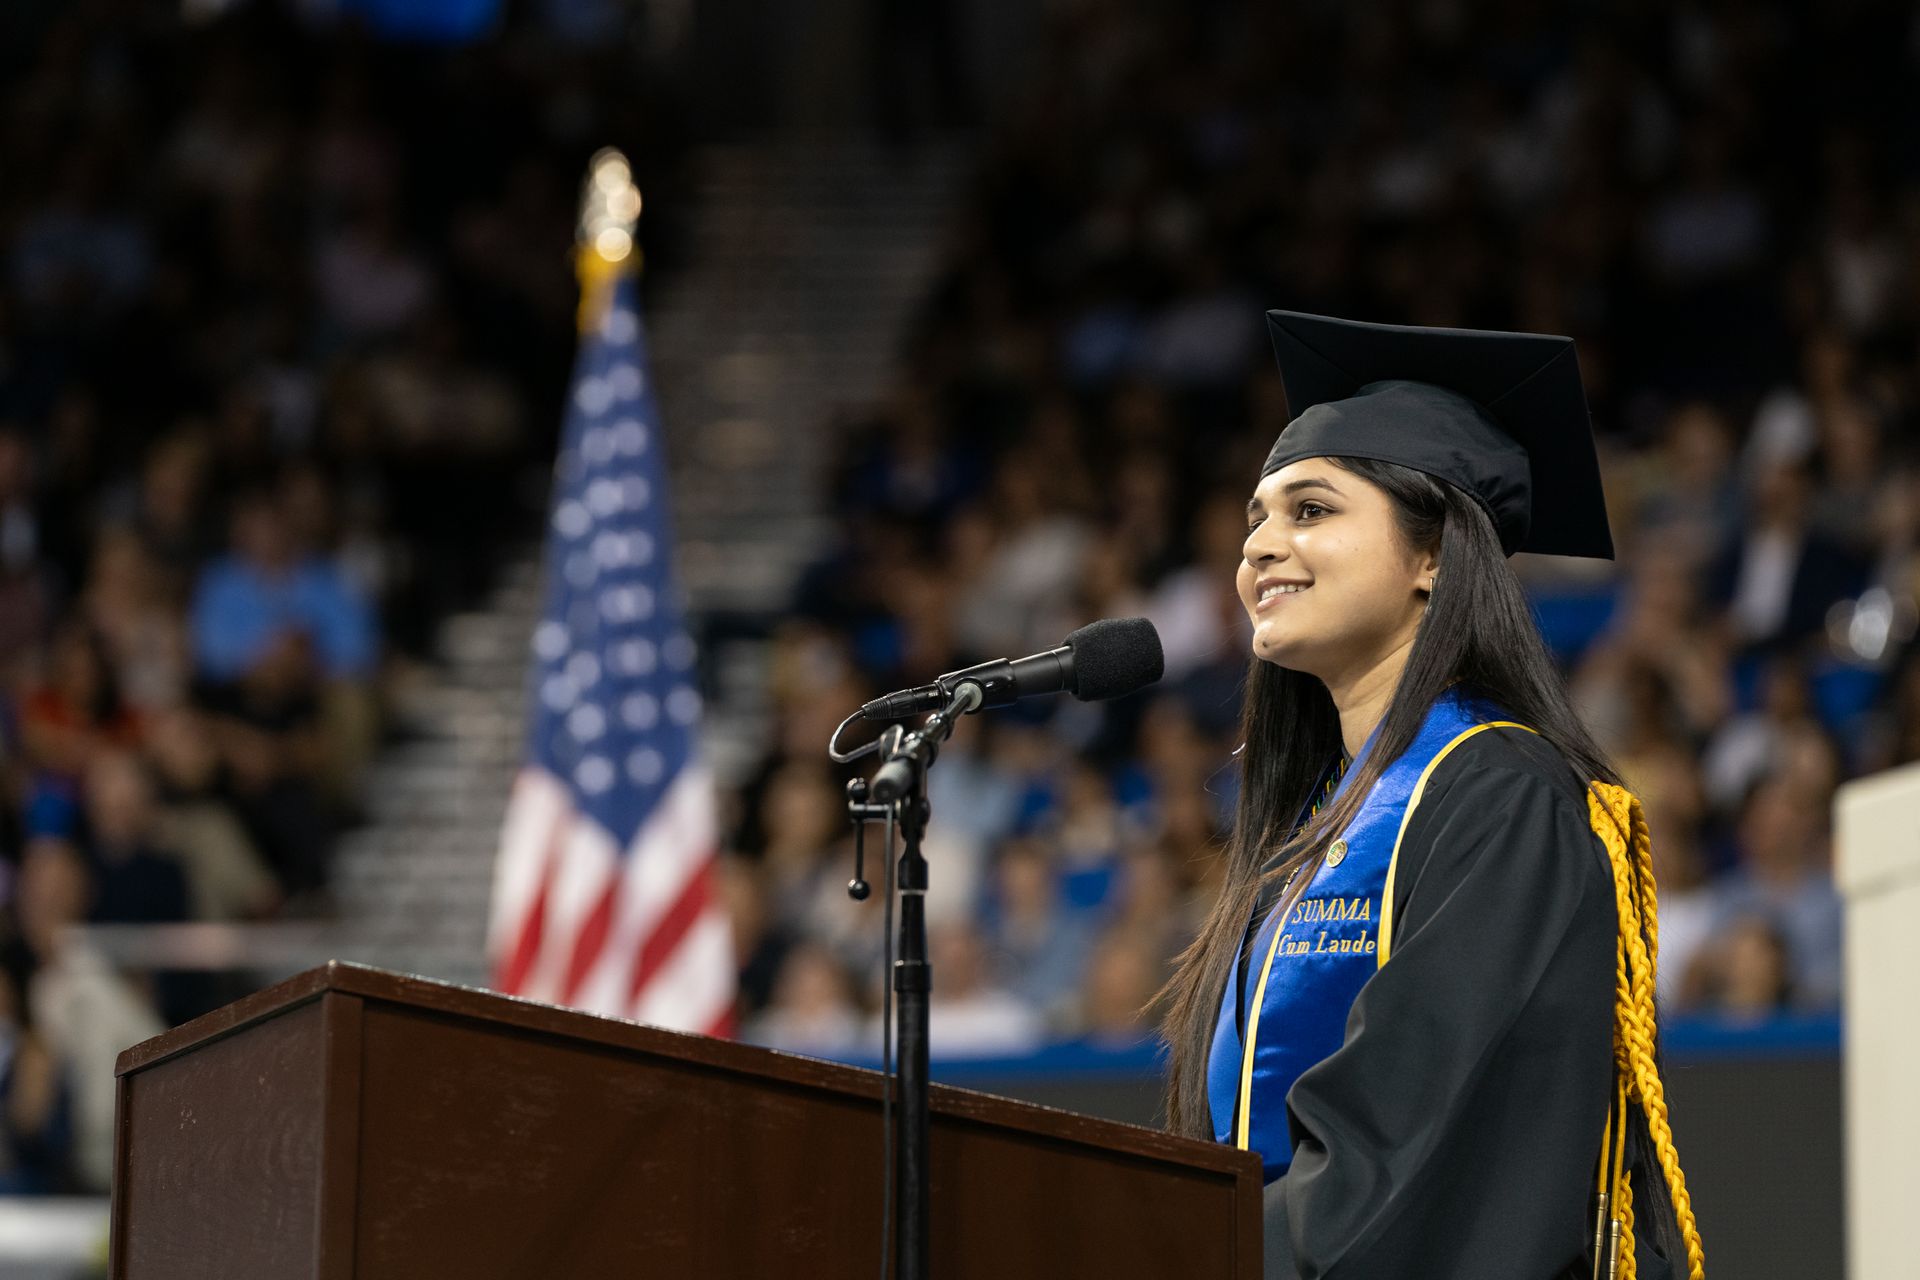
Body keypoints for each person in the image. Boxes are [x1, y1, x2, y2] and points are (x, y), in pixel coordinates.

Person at [1156, 312, 1706, 1280]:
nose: (1260, 550)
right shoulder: (1311, 829)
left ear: (1435, 557)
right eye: (1256, 519)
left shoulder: (1505, 802)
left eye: (1311, 510)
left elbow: (1407, 1159)